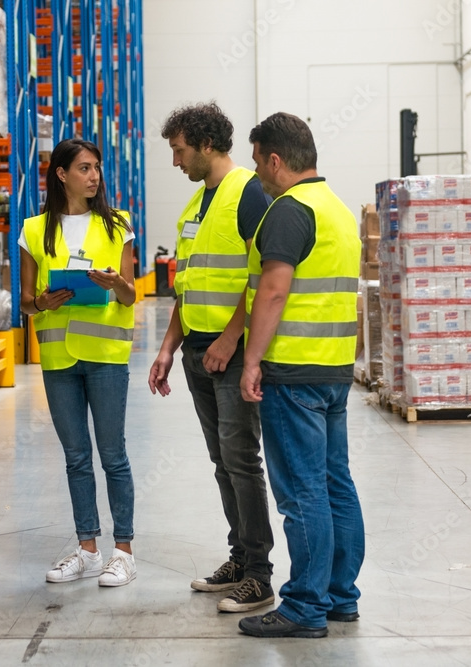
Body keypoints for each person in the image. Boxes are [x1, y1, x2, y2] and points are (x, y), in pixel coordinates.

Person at [238, 112, 365, 638]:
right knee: (336, 484)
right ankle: (339, 596)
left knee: (301, 493)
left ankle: (304, 607)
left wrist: (251, 360)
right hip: (334, 368)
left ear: (274, 158)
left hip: (293, 372)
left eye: (258, 164)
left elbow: (272, 291)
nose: (258, 177)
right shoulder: (335, 207)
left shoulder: (289, 210)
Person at [148, 102, 275, 613]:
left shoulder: (249, 194)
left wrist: (229, 340)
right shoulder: (196, 206)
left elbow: (264, 279)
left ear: (204, 144)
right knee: (223, 463)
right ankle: (240, 558)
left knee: (242, 461)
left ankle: (260, 575)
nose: (175, 161)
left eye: (179, 151)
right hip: (197, 352)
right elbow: (188, 286)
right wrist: (166, 347)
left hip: (232, 351)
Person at [19, 138, 138, 587]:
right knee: (75, 458)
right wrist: (43, 302)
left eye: (98, 168)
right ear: (62, 174)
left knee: (113, 455)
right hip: (58, 357)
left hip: (106, 354)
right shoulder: (33, 229)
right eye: (85, 168)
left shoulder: (117, 225)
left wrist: (114, 283)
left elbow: (130, 295)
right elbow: (27, 304)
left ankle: (123, 549)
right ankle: (87, 548)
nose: (94, 176)